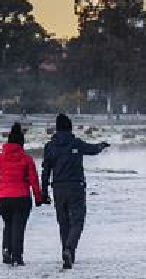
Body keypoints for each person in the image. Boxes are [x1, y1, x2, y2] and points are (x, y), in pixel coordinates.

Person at [41, 113, 109, 269]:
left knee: (63, 222)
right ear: (70, 127)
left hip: (58, 188)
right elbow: (92, 150)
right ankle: (69, 249)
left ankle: (66, 251)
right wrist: (101, 145)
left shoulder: (50, 146)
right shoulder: (75, 143)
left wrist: (43, 192)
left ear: (57, 128)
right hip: (76, 187)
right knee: (77, 221)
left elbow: (45, 171)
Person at [0, 122, 44, 266]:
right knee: (18, 226)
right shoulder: (27, 158)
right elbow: (34, 181)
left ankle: (6, 251)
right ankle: (17, 257)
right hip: (21, 198)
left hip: (3, 199)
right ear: (21, 143)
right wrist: (38, 198)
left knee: (8, 224)